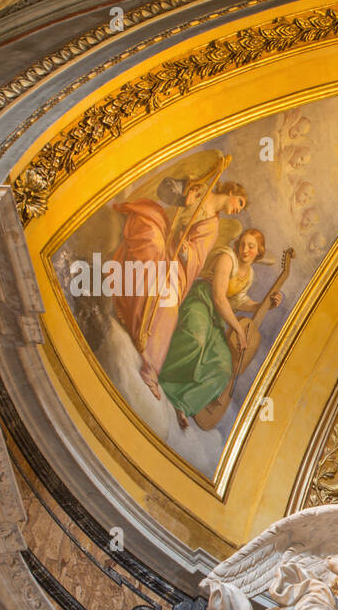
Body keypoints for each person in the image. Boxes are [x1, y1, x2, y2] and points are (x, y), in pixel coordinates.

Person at [111, 178, 248, 399]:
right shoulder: (201, 184)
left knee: (169, 306)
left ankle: (149, 366)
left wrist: (187, 252)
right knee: (151, 247)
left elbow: (198, 258)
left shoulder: (213, 227)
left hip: (176, 263)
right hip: (162, 230)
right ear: (231, 191)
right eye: (239, 202)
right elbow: (164, 190)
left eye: (240, 208)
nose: (236, 210)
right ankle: (128, 309)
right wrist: (182, 199)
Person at [157, 228, 279, 429]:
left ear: (259, 251)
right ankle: (162, 375)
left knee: (223, 368)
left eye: (251, 246)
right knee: (195, 338)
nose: (245, 249)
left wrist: (265, 305)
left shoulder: (248, 274)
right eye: (243, 244)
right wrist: (239, 331)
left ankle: (183, 404)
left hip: (217, 317)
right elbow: (220, 298)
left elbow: (239, 301)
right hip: (201, 301)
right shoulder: (227, 258)